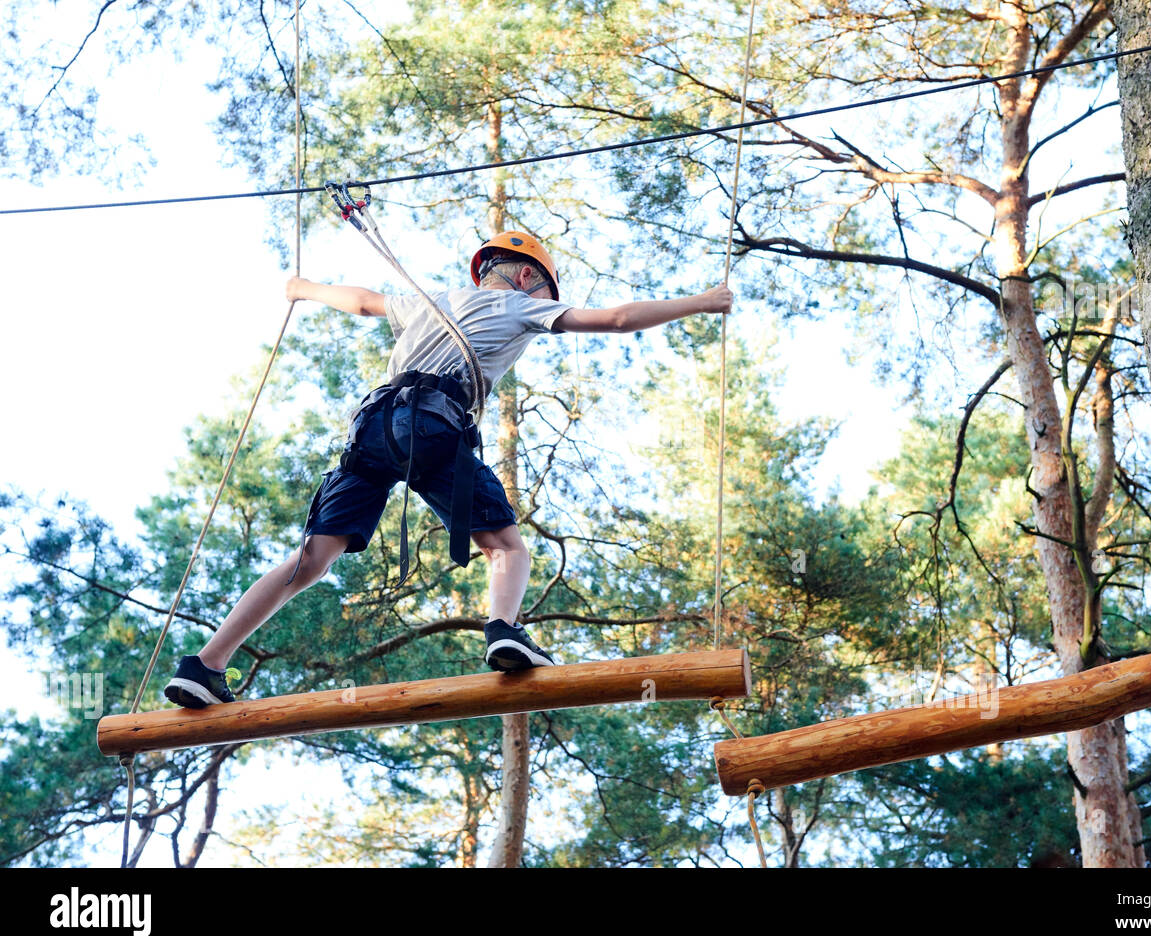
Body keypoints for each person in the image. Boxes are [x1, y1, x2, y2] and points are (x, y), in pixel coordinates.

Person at [163, 231, 733, 708]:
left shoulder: (429, 299)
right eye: (541, 286)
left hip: (372, 427)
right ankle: (503, 632)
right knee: (508, 548)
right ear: (528, 279)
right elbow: (616, 318)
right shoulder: (519, 305)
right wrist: (702, 301)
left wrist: (303, 289)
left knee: (310, 560)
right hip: (434, 426)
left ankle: (205, 663)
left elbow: (363, 302)